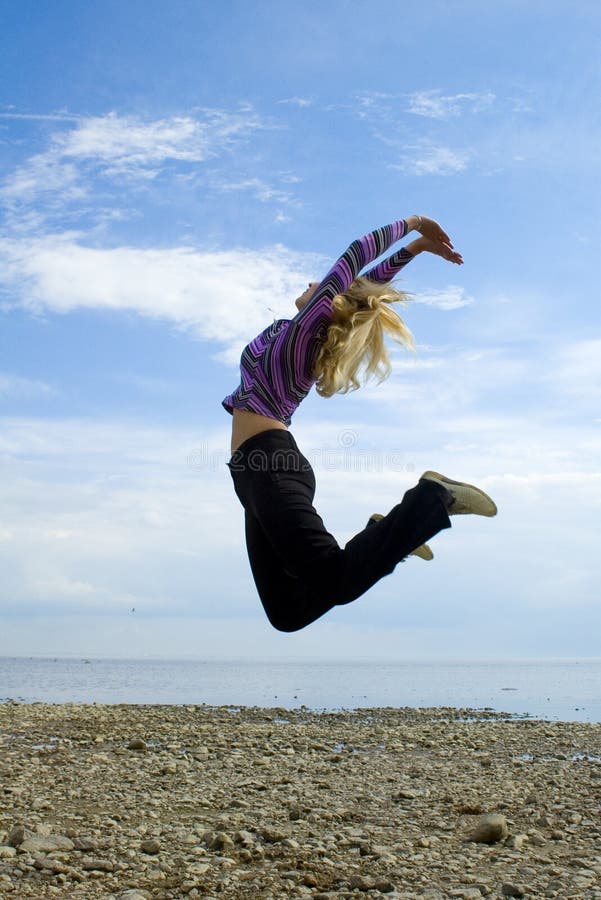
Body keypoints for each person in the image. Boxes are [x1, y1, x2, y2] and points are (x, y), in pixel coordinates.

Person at [223, 215, 497, 633]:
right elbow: (364, 286)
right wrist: (415, 249)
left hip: (271, 466)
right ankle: (384, 533)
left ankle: (432, 498)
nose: (315, 284)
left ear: (328, 303)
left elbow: (356, 257)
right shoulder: (290, 331)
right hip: (250, 474)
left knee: (334, 580)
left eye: (323, 287)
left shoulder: (306, 333)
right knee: (288, 612)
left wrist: (414, 225)